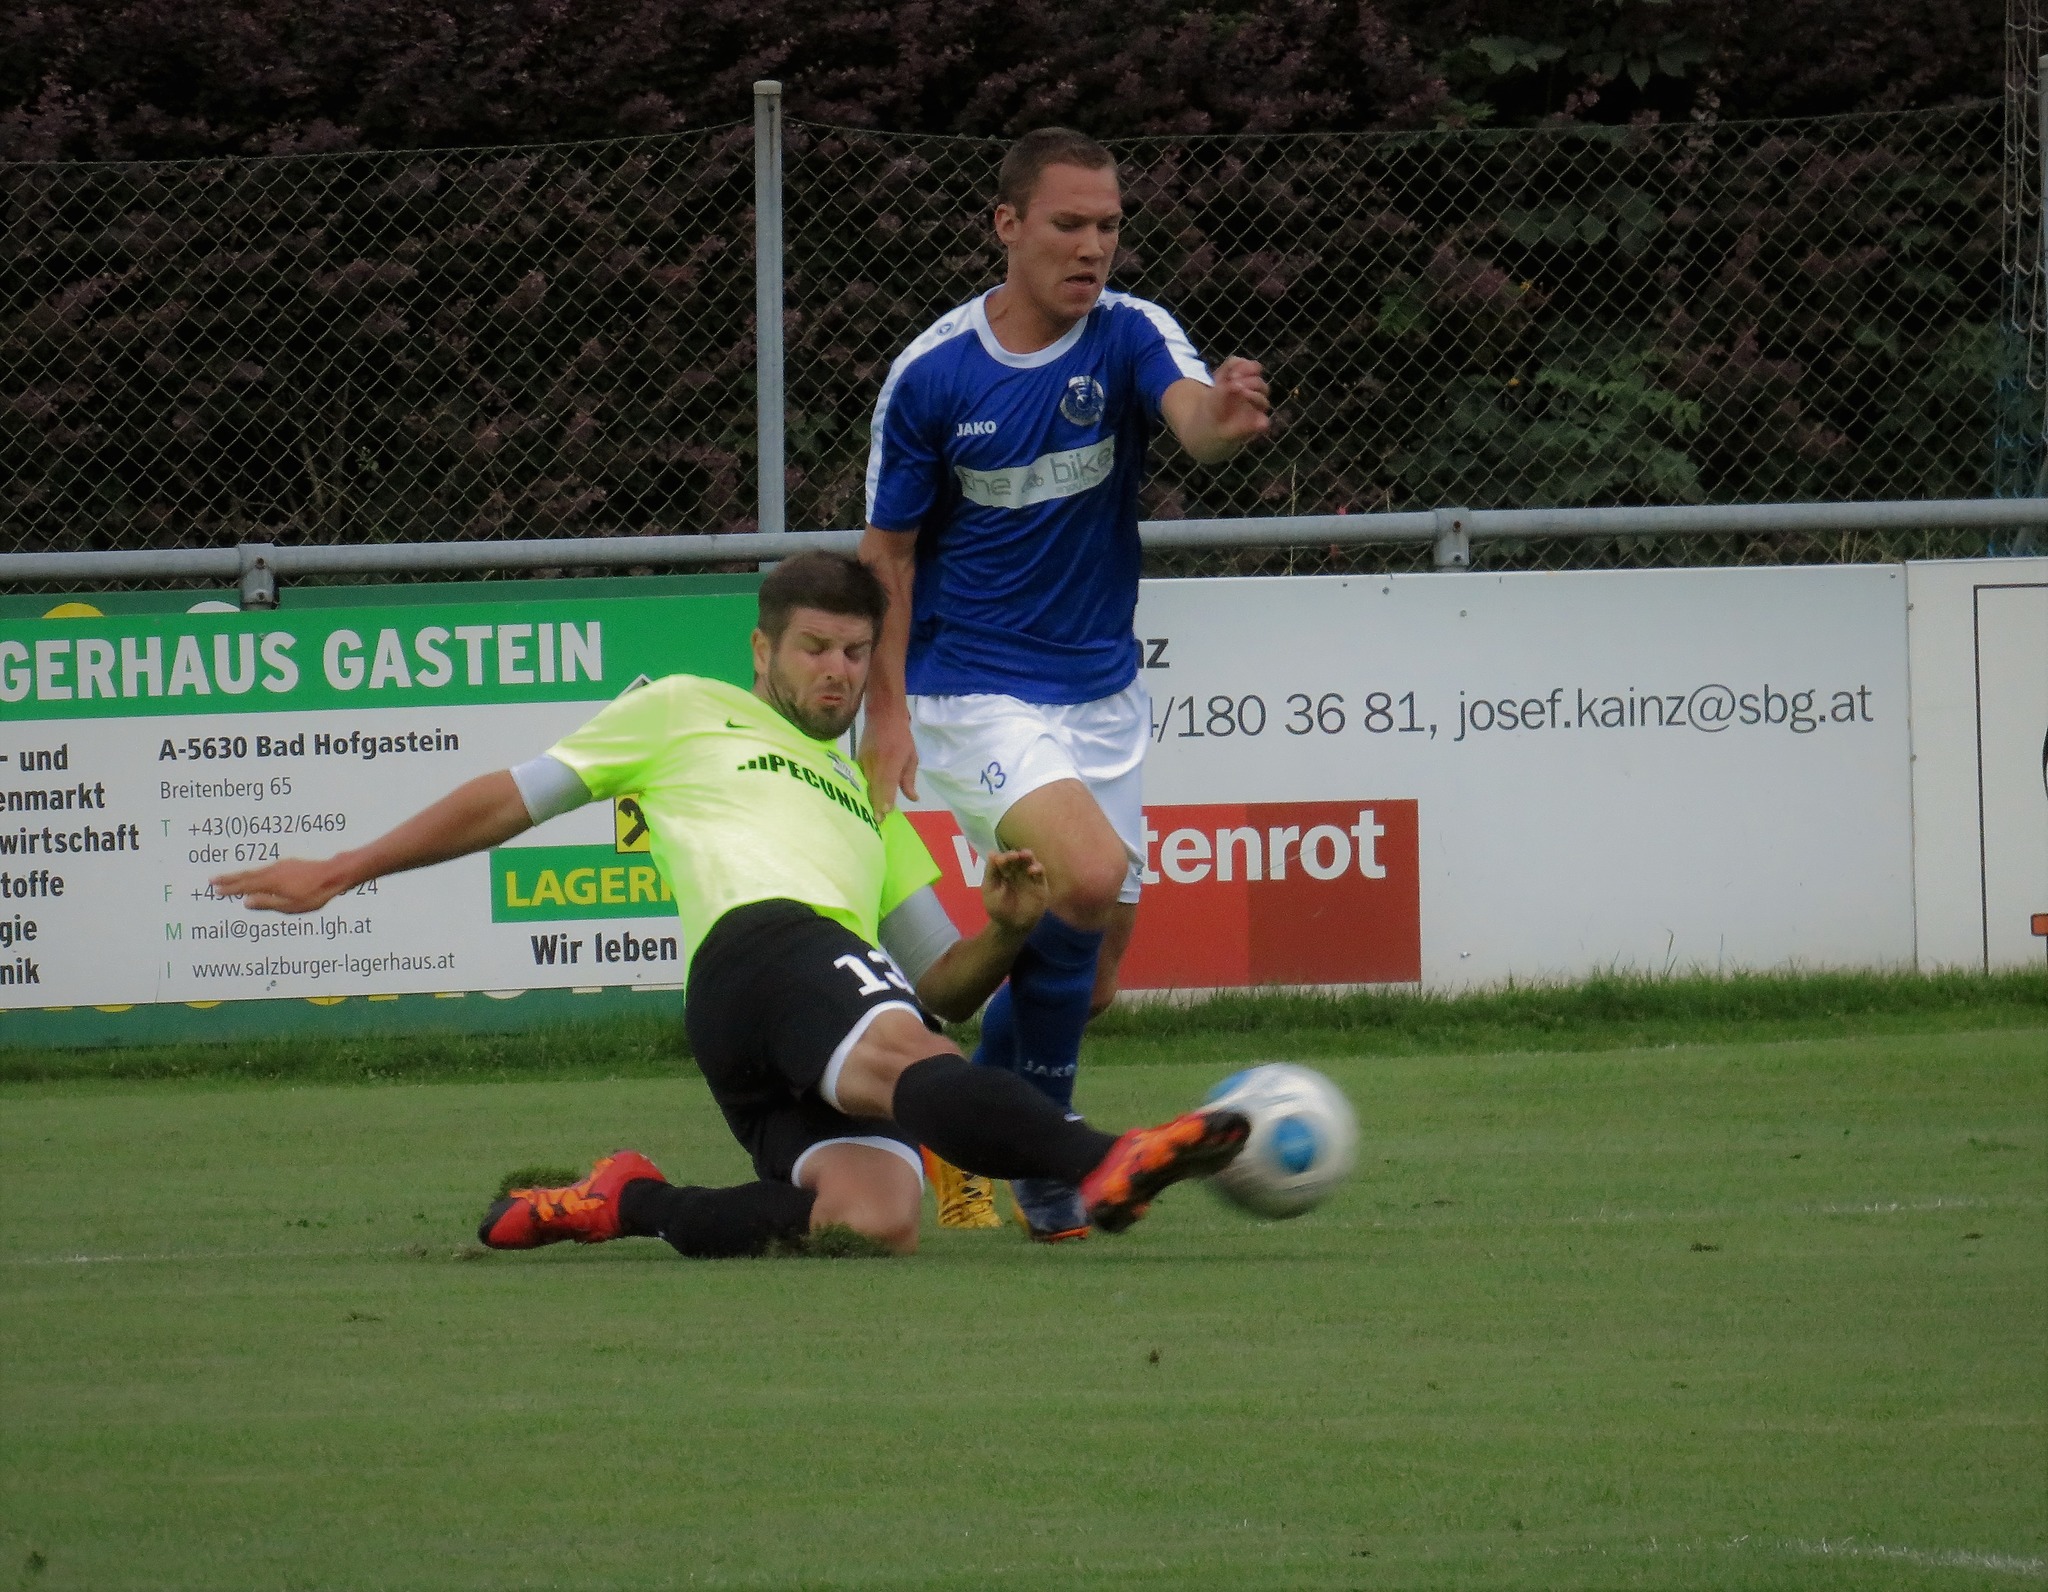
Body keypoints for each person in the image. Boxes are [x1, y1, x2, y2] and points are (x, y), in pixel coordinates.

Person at [211, 553, 1246, 1259]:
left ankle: (628, 1198)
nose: (835, 672)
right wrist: (350, 866)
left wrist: (1008, 930)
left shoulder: (864, 796)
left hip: (782, 1019)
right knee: (909, 1062)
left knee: (875, 1218)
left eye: (852, 652)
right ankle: (1100, 1157)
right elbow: (510, 795)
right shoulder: (684, 709)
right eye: (812, 647)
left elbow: (939, 985)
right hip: (762, 947)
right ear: (761, 651)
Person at [858, 126, 1273, 1239]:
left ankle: (967, 1129)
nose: (1091, 247)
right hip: (971, 687)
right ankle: (1056, 1172)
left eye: (1107, 226)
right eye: (1066, 224)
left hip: (1100, 697)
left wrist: (1221, 424)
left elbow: (1188, 415)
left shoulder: (1131, 333)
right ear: (1007, 225)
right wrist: (885, 710)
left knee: (1081, 986)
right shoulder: (933, 374)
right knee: (1083, 877)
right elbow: (887, 554)